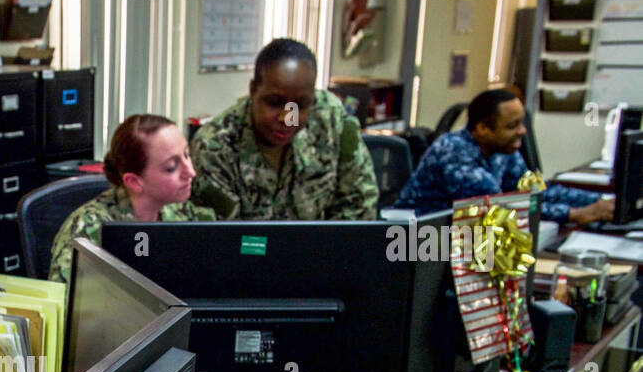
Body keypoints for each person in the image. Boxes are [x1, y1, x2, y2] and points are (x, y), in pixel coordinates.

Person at [189, 38, 378, 220]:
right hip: (249, 252)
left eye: (300, 105)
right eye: (274, 103)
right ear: (253, 91)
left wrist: (327, 249)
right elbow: (221, 236)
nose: (288, 118)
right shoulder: (214, 147)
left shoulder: (331, 118)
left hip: (323, 249)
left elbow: (359, 203)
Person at [394, 88, 615, 224]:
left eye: (521, 123)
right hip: (418, 247)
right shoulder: (453, 154)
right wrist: (575, 214)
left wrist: (599, 203)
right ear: (483, 128)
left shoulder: (503, 150)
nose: (522, 131)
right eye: (512, 126)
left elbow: (534, 193)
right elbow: (502, 209)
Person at [48, 114, 214, 285]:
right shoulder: (88, 230)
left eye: (186, 155)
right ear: (134, 181)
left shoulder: (182, 214)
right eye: (171, 167)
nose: (190, 172)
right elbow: (67, 305)